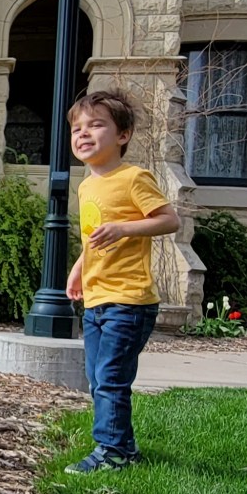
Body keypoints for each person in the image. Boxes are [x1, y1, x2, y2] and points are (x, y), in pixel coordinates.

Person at [63, 90, 180, 473]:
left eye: (96, 125)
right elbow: (96, 237)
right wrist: (79, 267)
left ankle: (110, 452)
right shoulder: (86, 186)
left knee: (111, 378)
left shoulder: (133, 178)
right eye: (77, 128)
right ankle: (124, 448)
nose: (84, 134)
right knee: (98, 379)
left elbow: (168, 219)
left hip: (129, 299)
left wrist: (124, 228)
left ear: (123, 135)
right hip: (98, 298)